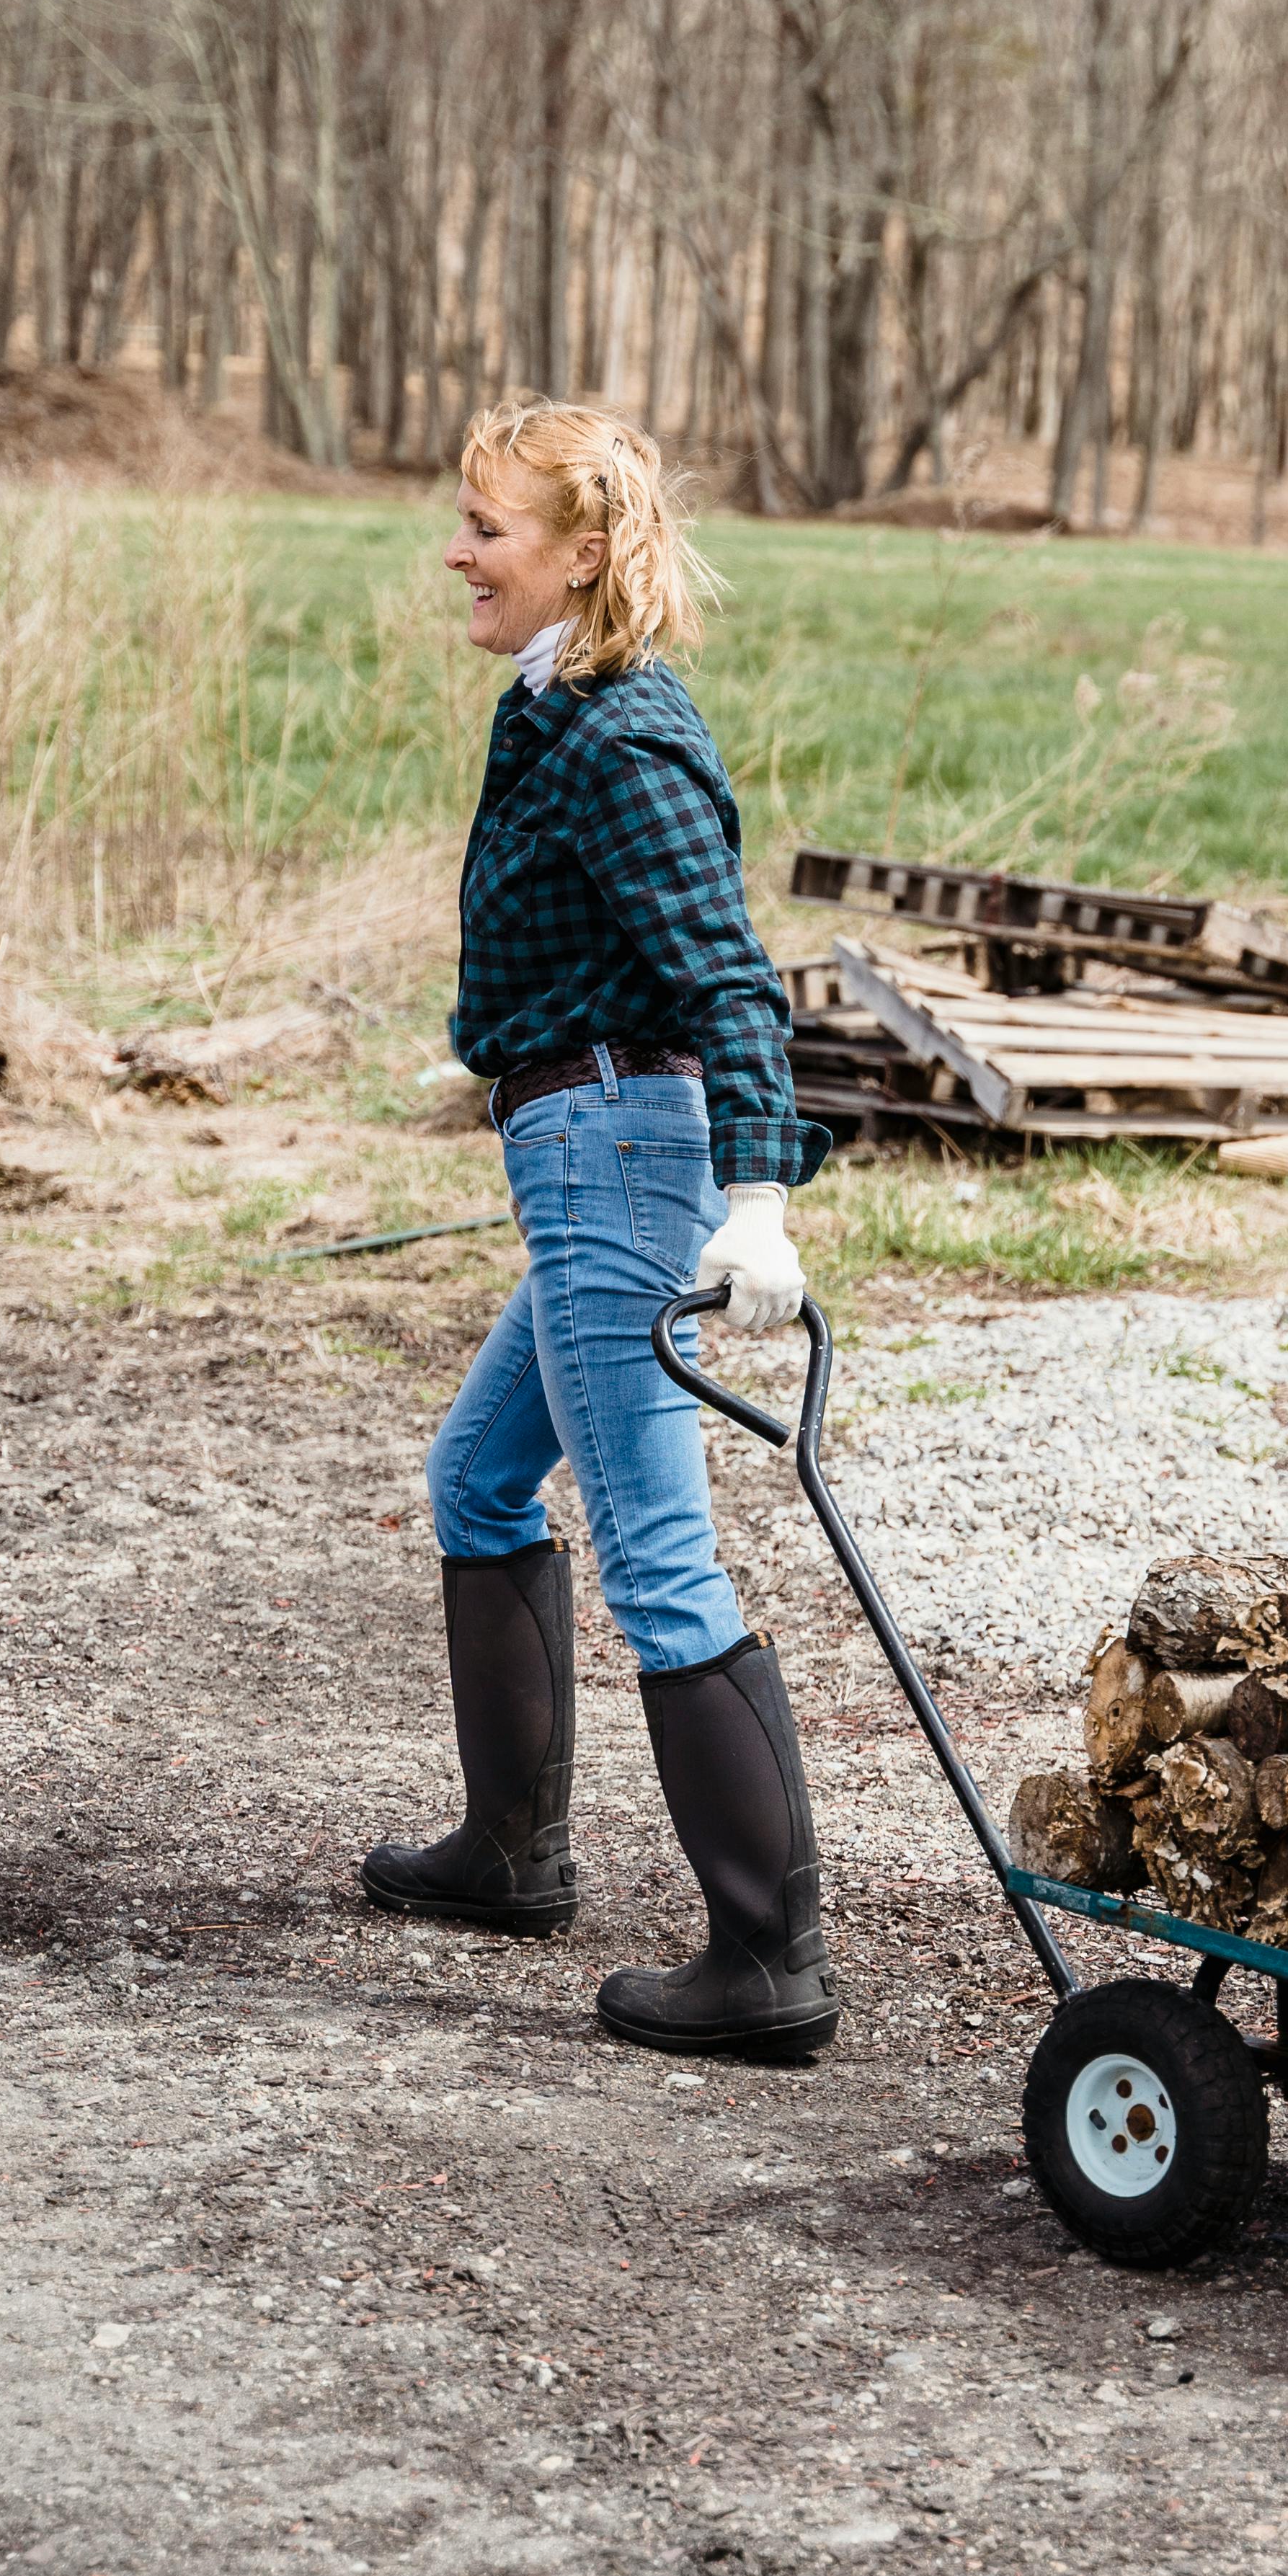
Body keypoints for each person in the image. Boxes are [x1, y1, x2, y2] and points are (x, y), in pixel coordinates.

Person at [359, 402, 838, 2066]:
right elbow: (603, 950)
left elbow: (728, 982)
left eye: (486, 523)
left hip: (618, 1157)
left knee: (655, 1552)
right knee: (478, 1477)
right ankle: (510, 1856)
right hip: (578, 1130)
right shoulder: (558, 704)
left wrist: (759, 1200)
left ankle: (768, 1958)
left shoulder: (621, 734)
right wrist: (507, 1039)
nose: (457, 549)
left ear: (576, 552)